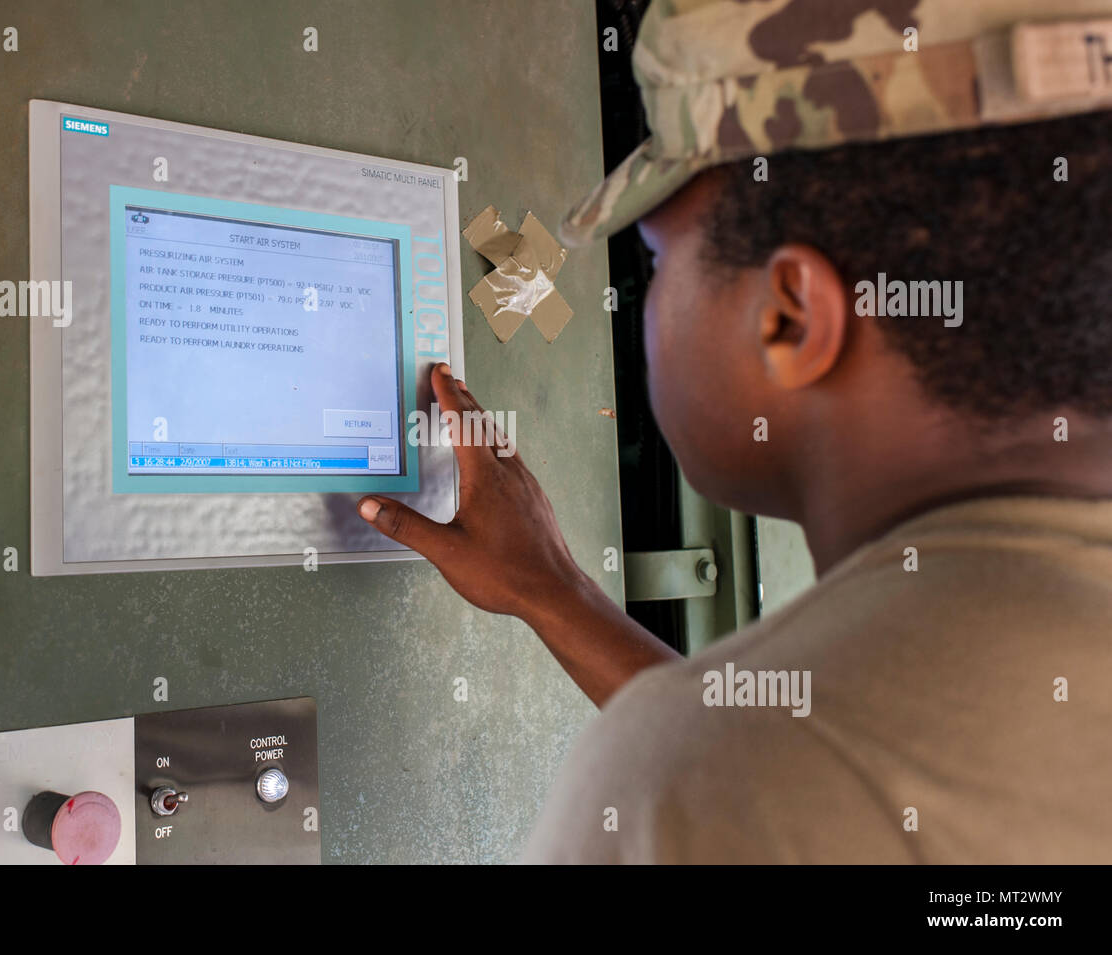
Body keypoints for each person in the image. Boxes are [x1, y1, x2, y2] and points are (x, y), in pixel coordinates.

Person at [358, 0, 1112, 862]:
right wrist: (552, 590)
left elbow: (780, 773)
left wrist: (670, 747)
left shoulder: (704, 789)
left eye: (654, 258)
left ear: (789, 318)